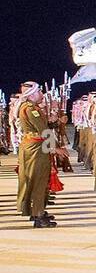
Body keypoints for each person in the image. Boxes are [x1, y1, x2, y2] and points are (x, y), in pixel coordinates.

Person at [14, 82, 57, 227]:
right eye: (39, 91)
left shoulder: (30, 108)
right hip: (36, 148)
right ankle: (38, 214)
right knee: (39, 180)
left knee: (37, 180)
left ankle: (38, 211)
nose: (41, 94)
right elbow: (43, 130)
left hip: (36, 146)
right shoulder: (31, 109)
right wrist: (55, 148)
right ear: (31, 94)